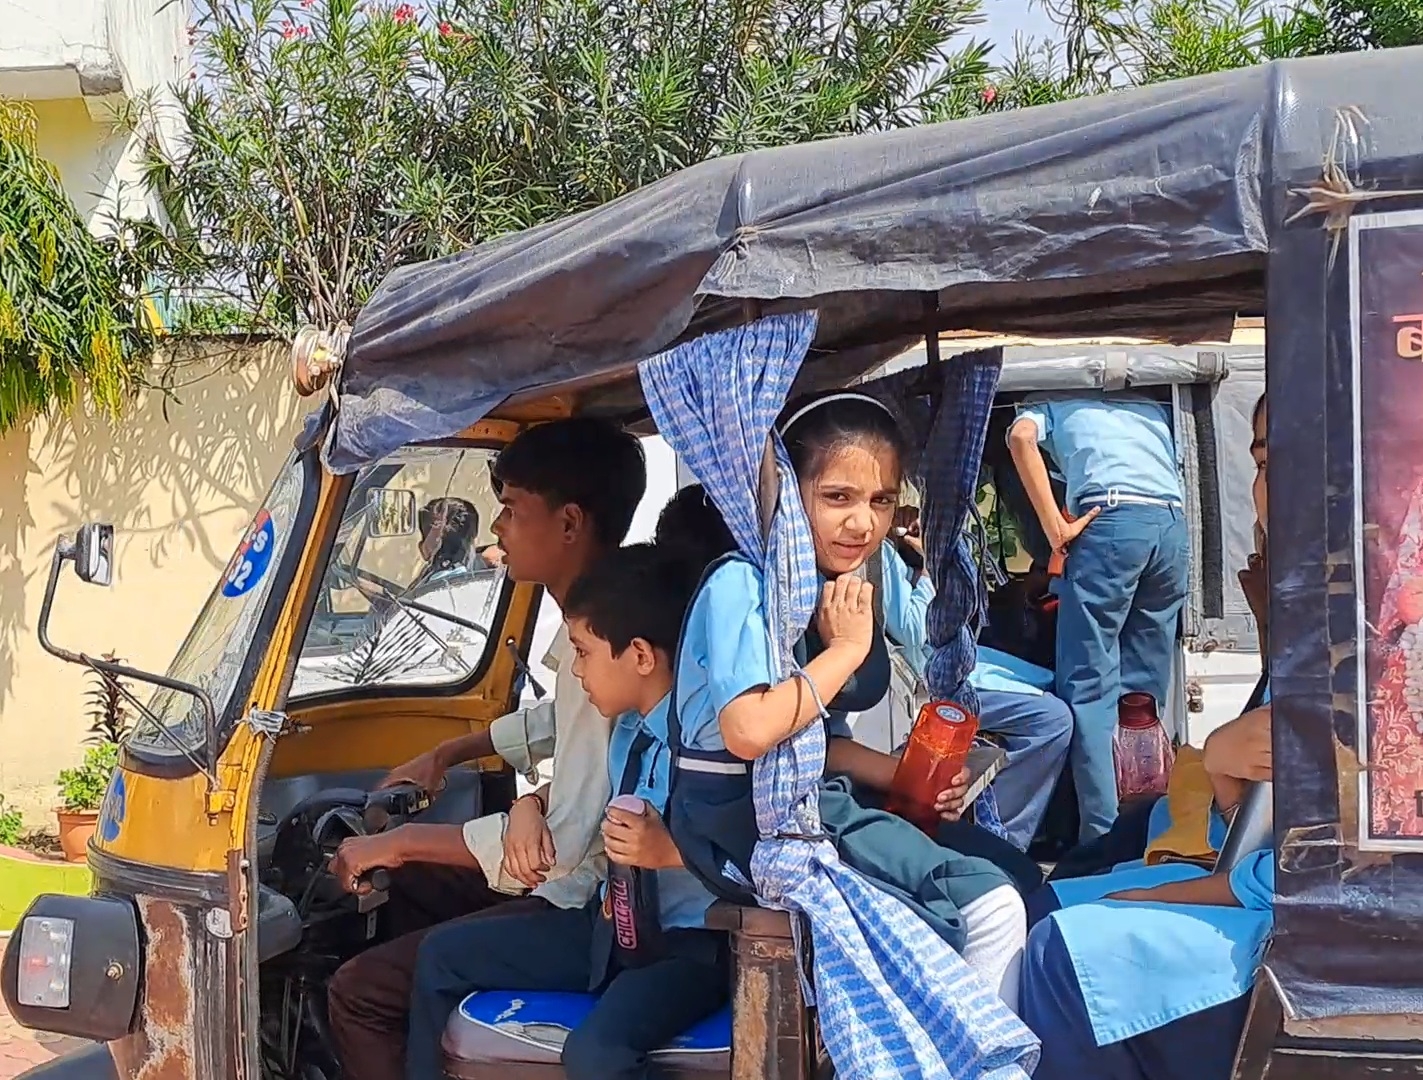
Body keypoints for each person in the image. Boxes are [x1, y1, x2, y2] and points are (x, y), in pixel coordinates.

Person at [667, 392, 1029, 1007]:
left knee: (1012, 868)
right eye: (838, 497)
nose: (863, 523)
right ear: (787, 489)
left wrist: (905, 781)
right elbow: (750, 732)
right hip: (740, 820)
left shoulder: (832, 579)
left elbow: (819, 744)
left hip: (811, 796)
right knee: (990, 905)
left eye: (881, 500)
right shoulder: (742, 582)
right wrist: (843, 653)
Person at [326, 418, 647, 1080]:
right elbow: (558, 726)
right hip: (578, 881)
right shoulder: (598, 615)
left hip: (587, 907)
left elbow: (555, 851)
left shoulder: (610, 641)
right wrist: (451, 752)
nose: (495, 529)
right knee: (410, 889)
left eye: (510, 510)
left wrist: (399, 843)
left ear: (569, 524)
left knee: (359, 993)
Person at [1018, 392, 1274, 1080]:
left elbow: (1291, 875)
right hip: (1254, 880)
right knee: (1061, 893)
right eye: (1262, 462)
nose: (1270, 488)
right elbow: (1260, 820)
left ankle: (1103, 822)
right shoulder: (1318, 613)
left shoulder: (1385, 637)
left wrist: (1055, 526)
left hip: (1297, 932)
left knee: (1060, 948)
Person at [405, 544, 727, 1080]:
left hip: (685, 948)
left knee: (597, 1056)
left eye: (582, 652)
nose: (576, 673)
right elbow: (575, 790)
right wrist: (529, 803)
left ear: (641, 656)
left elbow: (743, 853)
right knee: (440, 956)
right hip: (609, 932)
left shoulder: (705, 739)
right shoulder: (626, 731)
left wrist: (669, 851)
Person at [1007, 390, 1190, 844]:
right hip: (1170, 525)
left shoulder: (1052, 387)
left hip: (1109, 520)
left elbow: (1020, 437)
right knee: (1143, 692)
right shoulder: (1148, 395)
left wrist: (1054, 528)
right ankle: (1148, 828)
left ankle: (1102, 838)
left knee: (1091, 688)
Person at [870, 518, 1074, 852]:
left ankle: (1025, 827)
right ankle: (1000, 838)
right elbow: (912, 629)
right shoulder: (876, 554)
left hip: (956, 656)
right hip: (932, 674)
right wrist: (930, 568)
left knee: (1056, 684)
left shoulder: (890, 548)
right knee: (1053, 720)